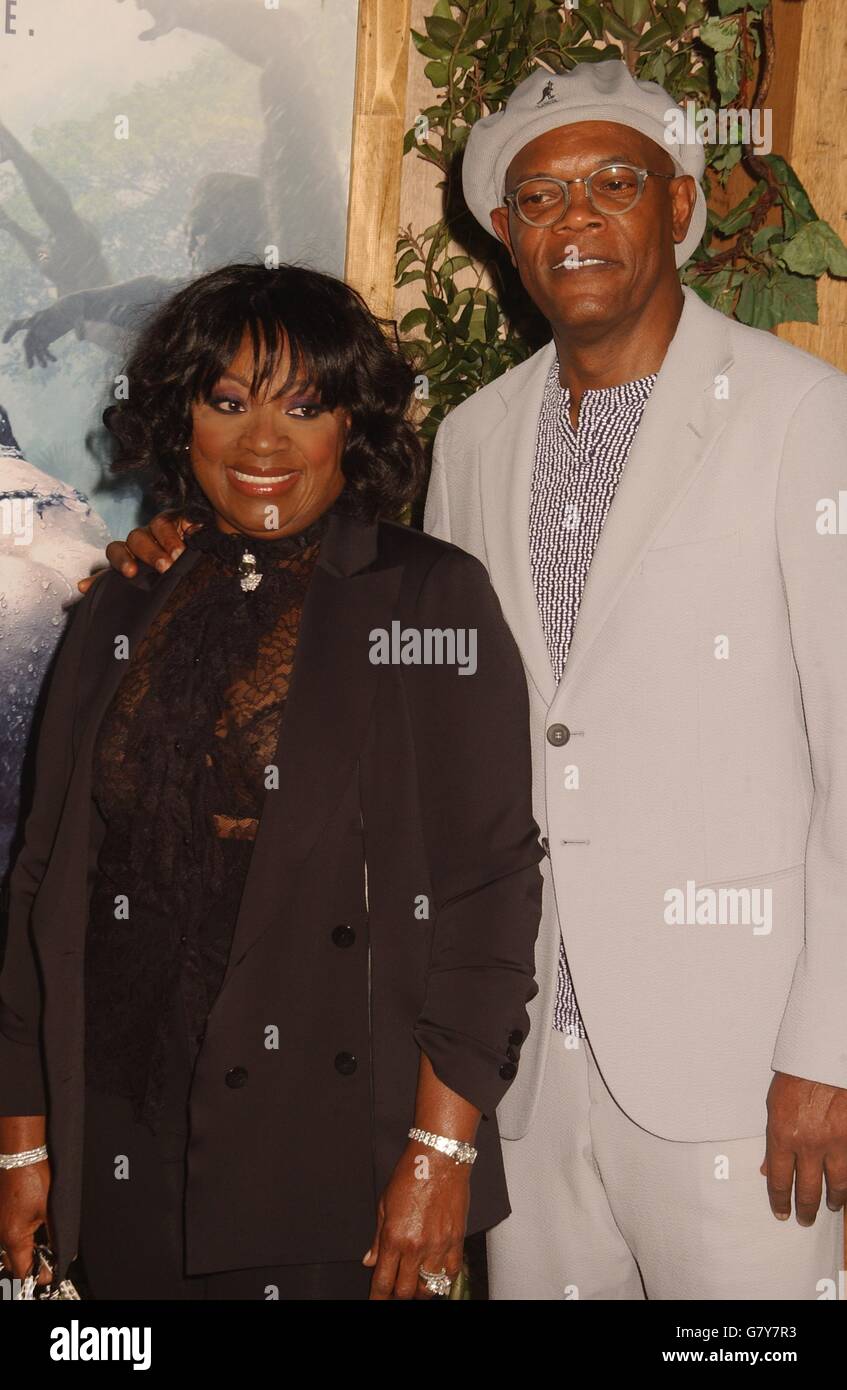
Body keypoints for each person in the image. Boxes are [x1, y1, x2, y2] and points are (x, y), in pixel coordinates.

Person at [108, 62, 847, 1301]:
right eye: (540, 198)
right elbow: (404, 678)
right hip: (513, 1070)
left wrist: (826, 1045)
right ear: (504, 236)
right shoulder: (476, 435)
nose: (576, 221)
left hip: (735, 1065)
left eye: (614, 185)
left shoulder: (802, 415)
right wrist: (177, 550)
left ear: (677, 206)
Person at [0, 262, 544, 1300]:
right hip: (119, 1142)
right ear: (181, 417)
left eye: (305, 406)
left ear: (353, 425)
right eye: (228, 401)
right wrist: (22, 1139)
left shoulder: (427, 596)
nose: (263, 442)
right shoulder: (123, 603)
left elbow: (487, 894)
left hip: (328, 1161)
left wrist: (442, 1152)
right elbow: (44, 884)